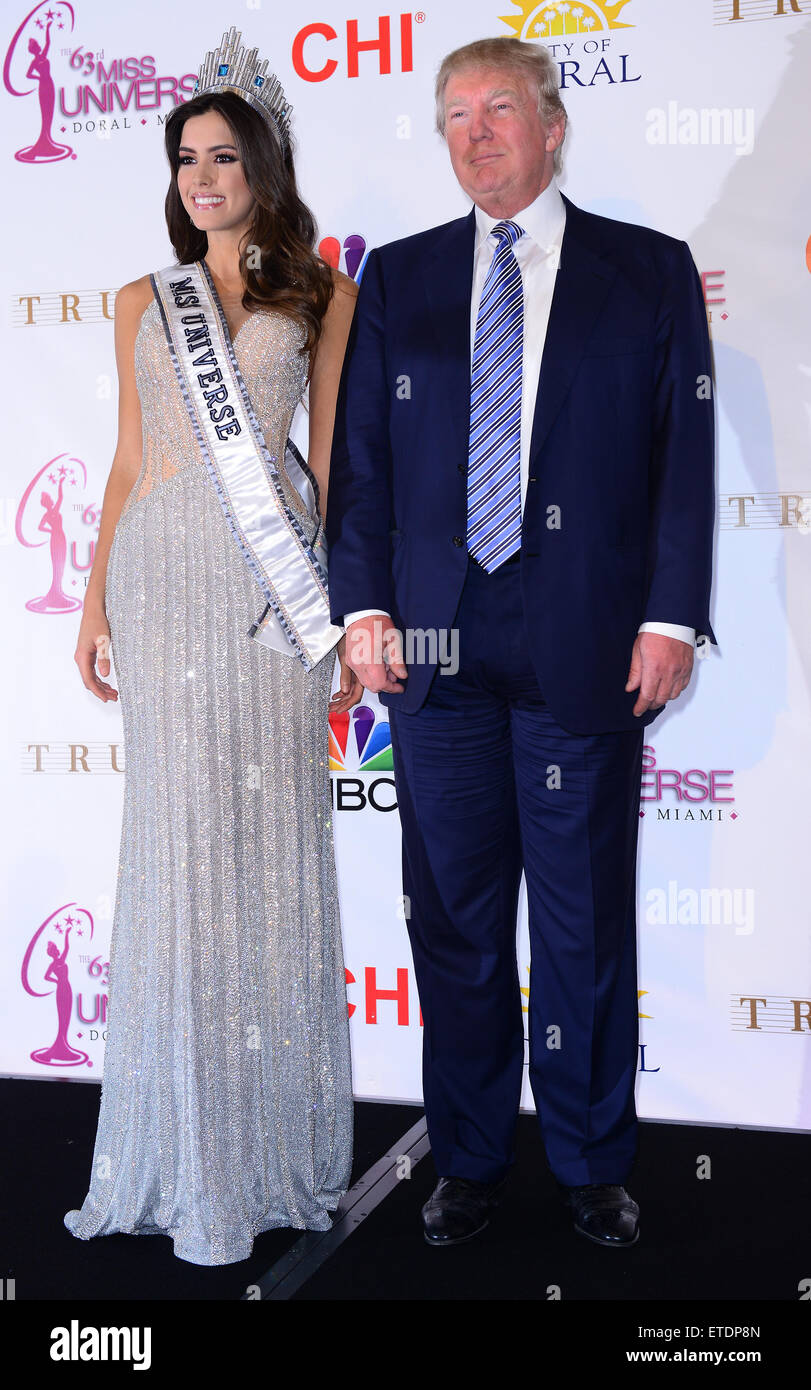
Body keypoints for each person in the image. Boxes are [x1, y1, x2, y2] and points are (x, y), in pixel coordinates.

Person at [327, 35, 715, 1249]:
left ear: (554, 124)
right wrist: (363, 607)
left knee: (585, 918)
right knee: (450, 923)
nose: (476, 132)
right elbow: (365, 466)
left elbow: (680, 465)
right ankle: (473, 1155)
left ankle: (594, 1160)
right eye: (453, 115)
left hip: (586, 649)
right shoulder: (399, 278)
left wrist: (668, 614)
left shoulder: (646, 272)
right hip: (435, 657)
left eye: (499, 108)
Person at [64, 28, 361, 1266]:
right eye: (186, 157)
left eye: (223, 154)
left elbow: (338, 470)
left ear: (263, 167)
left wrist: (352, 611)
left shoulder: (322, 296)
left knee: (266, 849)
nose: (202, 175)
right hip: (164, 585)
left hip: (267, 600)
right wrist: (91, 600)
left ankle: (270, 1149)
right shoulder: (145, 299)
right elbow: (133, 461)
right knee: (178, 850)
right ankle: (175, 1146)